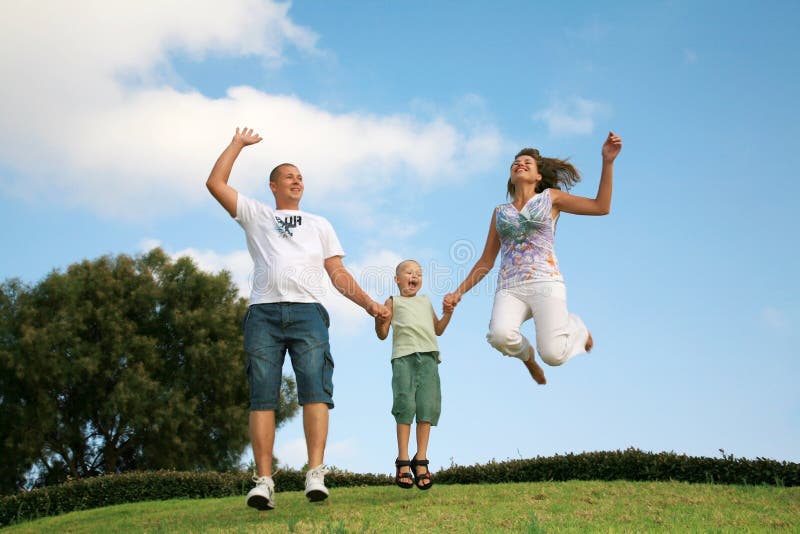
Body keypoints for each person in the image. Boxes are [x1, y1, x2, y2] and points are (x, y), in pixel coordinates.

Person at [206, 126, 389, 511]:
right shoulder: (256, 214)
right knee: (262, 396)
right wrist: (237, 144)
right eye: (289, 176)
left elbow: (337, 275)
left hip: (308, 314)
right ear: (273, 186)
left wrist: (370, 305)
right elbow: (215, 182)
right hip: (263, 315)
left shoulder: (319, 224)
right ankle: (263, 481)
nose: (297, 181)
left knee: (316, 393)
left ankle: (315, 473)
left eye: (300, 177)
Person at [444, 132, 622, 385]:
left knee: (553, 355)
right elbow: (486, 261)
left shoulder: (550, 198)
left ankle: (576, 329)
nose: (520, 164)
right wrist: (458, 292)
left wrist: (608, 162)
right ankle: (528, 358)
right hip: (510, 288)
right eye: (516, 162)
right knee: (499, 336)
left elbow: (601, 207)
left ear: (538, 175)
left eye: (527, 162)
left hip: (545, 282)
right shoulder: (500, 213)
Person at [375, 260, 453, 490]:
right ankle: (403, 460)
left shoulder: (425, 301)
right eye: (409, 272)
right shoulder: (393, 301)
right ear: (397, 279)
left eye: (418, 273)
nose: (414, 276)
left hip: (429, 357)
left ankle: (421, 460)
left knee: (427, 407)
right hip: (403, 358)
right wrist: (379, 320)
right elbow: (382, 334)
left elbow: (438, 329)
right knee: (405, 405)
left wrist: (447, 313)